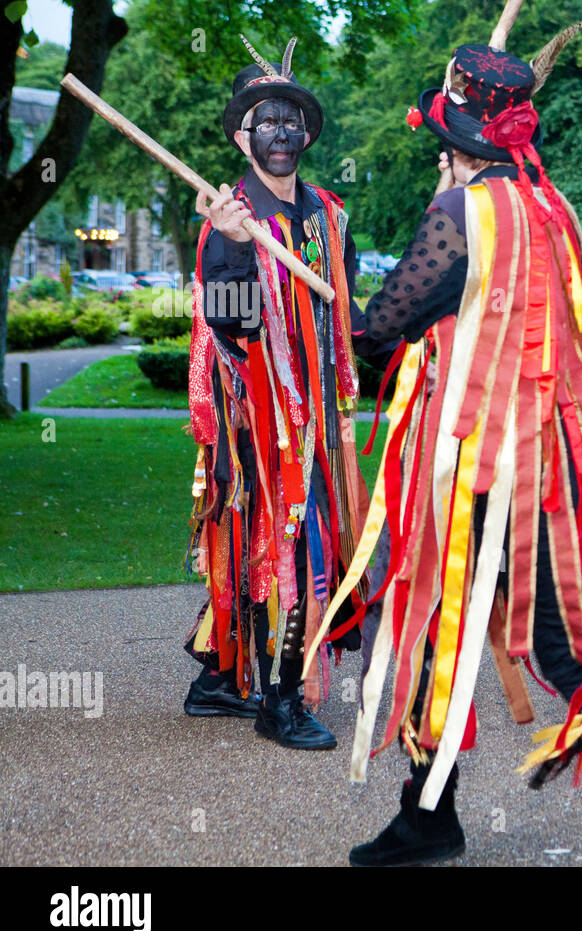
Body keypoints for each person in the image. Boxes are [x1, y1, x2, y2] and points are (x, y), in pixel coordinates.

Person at [302, 6, 582, 867]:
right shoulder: (547, 205)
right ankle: (428, 817)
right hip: (545, 457)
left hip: (489, 466)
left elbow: (380, 326)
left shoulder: (464, 214)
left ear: (454, 138)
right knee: (443, 624)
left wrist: (319, 274)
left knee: (556, 645)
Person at [181, 36, 368, 751]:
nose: (282, 132)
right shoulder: (228, 222)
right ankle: (280, 702)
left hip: (320, 415)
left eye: (293, 119)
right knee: (286, 544)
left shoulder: (327, 214)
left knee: (275, 546)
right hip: (259, 425)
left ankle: (221, 681)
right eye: (267, 120)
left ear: (308, 133)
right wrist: (231, 248)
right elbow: (230, 327)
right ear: (242, 136)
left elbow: (344, 313)